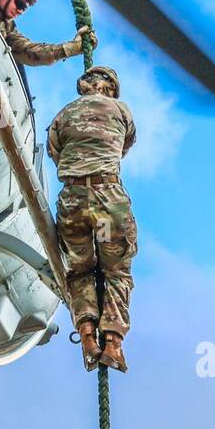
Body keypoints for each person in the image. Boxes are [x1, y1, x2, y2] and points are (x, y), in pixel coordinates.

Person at [46, 65, 137, 372]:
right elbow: (125, 145)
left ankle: (87, 336)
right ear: (111, 88)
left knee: (79, 270)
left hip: (72, 199)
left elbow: (55, 151)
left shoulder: (63, 114)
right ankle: (112, 343)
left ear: (83, 86)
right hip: (108, 195)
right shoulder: (121, 110)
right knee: (116, 271)